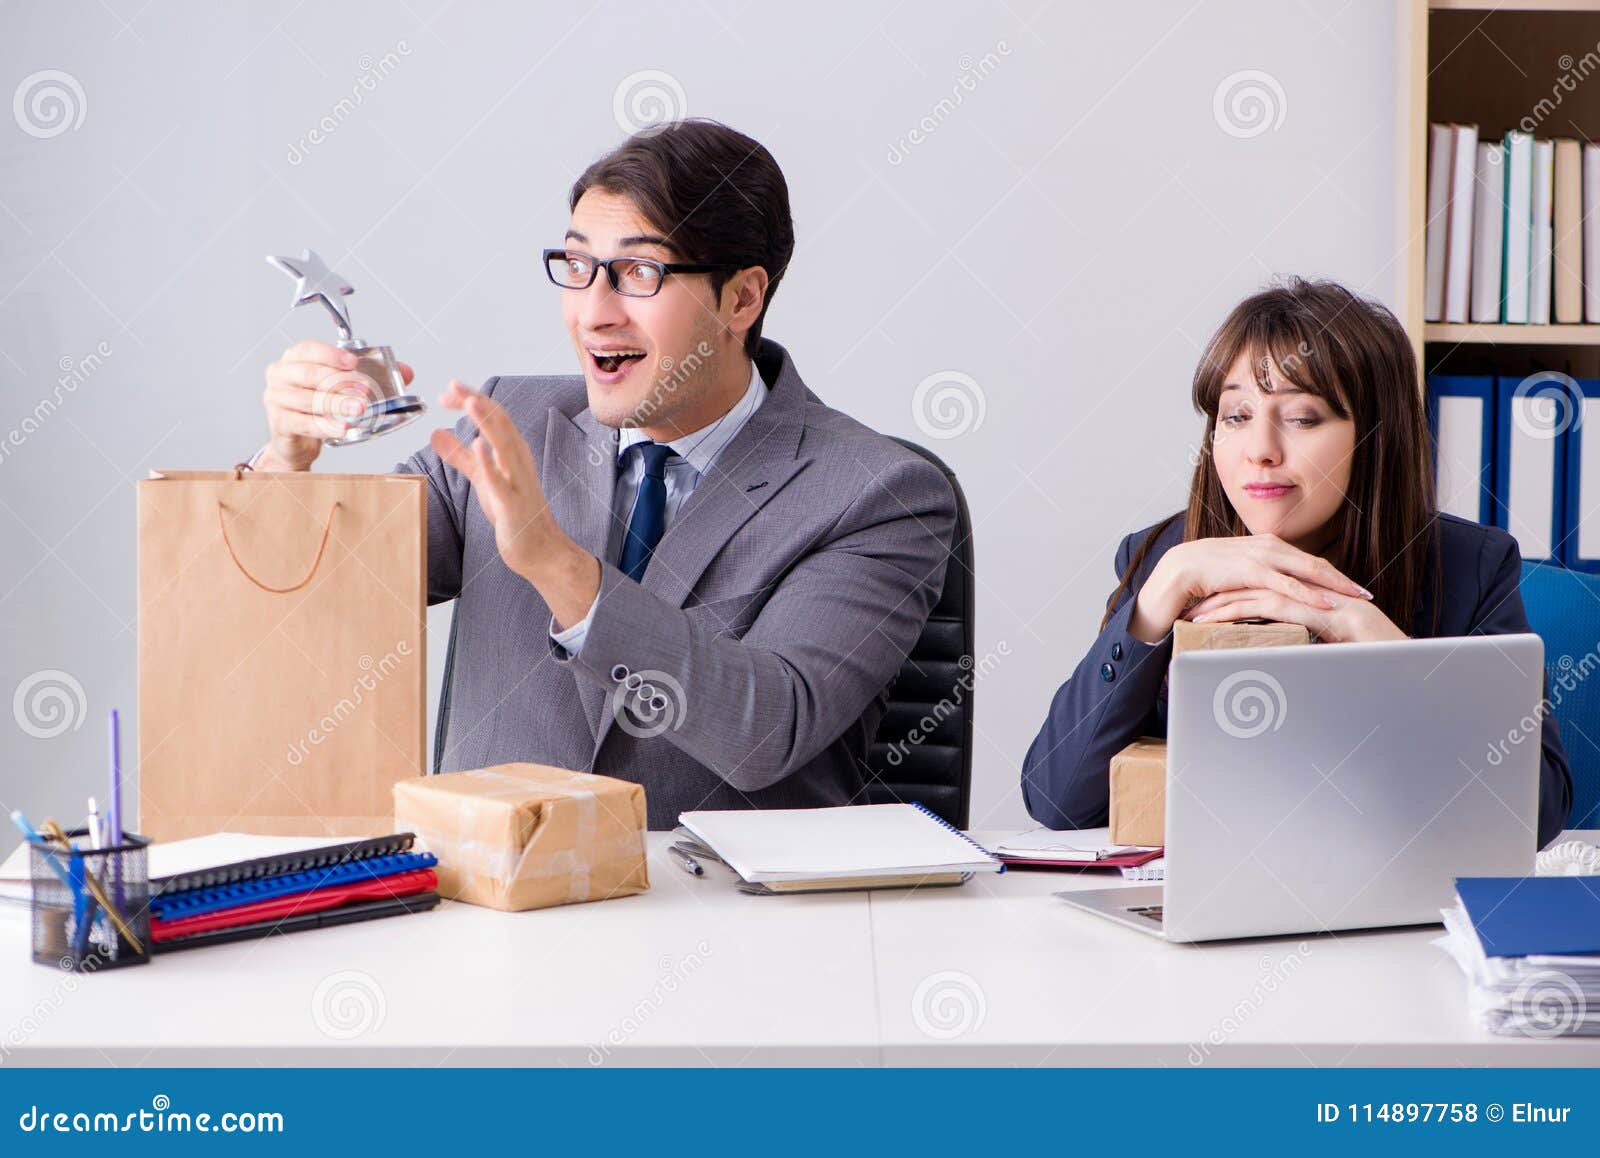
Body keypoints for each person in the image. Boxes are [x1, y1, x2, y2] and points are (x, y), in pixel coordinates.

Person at [251, 119, 957, 828]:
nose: (594, 313)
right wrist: (286, 461)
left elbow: (767, 728)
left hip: (721, 922)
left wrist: (556, 563)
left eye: (640, 274)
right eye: (579, 266)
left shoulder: (877, 492)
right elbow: (310, 601)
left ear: (741, 300)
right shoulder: (510, 421)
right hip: (488, 911)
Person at [1020, 278, 1573, 849]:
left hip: (1386, 902)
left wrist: (1381, 644)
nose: (1260, 448)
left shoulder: (1468, 566)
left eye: (1303, 418)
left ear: (1375, 438)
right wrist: (1156, 602)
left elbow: (1534, 813)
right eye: (1235, 415)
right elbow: (1058, 800)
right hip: (1201, 904)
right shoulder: (1166, 557)